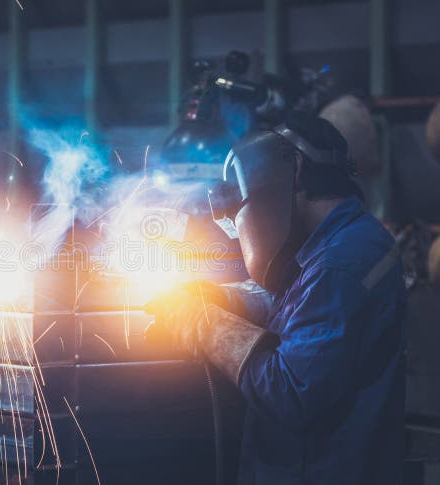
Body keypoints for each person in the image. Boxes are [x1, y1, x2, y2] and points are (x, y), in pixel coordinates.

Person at [146, 113, 406, 484]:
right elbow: (300, 310)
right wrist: (223, 298)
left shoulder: (340, 264)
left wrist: (201, 321)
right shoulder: (340, 242)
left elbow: (291, 391)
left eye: (241, 203)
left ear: (295, 169)